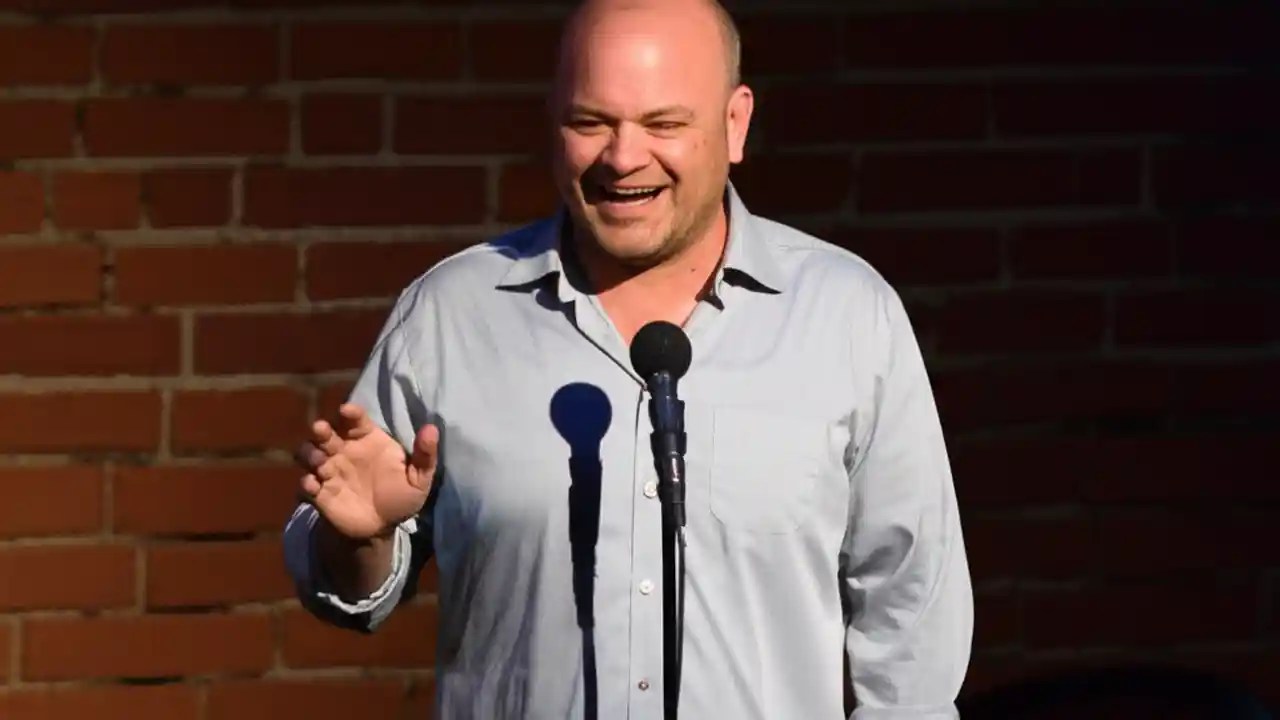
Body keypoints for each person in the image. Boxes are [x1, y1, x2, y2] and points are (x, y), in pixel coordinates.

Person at [283, 0, 973, 717]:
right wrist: (359, 539)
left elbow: (911, 627)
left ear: (735, 123)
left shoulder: (846, 315)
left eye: (663, 124)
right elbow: (349, 589)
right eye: (591, 122)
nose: (622, 157)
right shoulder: (453, 314)